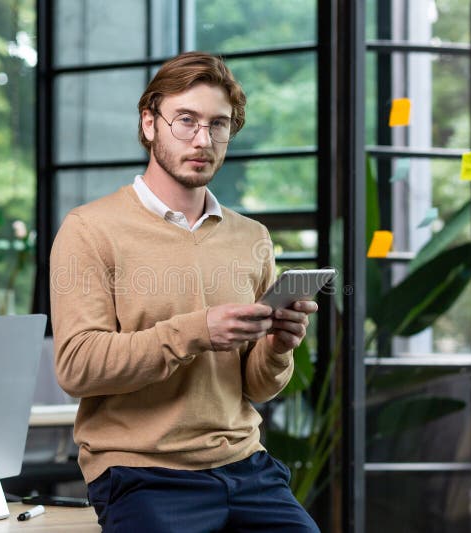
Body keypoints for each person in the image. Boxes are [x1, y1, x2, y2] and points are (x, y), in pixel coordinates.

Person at [50, 51, 320, 532]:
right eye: (186, 121)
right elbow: (77, 366)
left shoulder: (251, 237)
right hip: (142, 471)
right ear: (150, 123)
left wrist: (278, 347)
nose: (203, 140)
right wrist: (196, 331)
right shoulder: (89, 229)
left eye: (219, 124)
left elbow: (256, 387)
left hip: (245, 466)